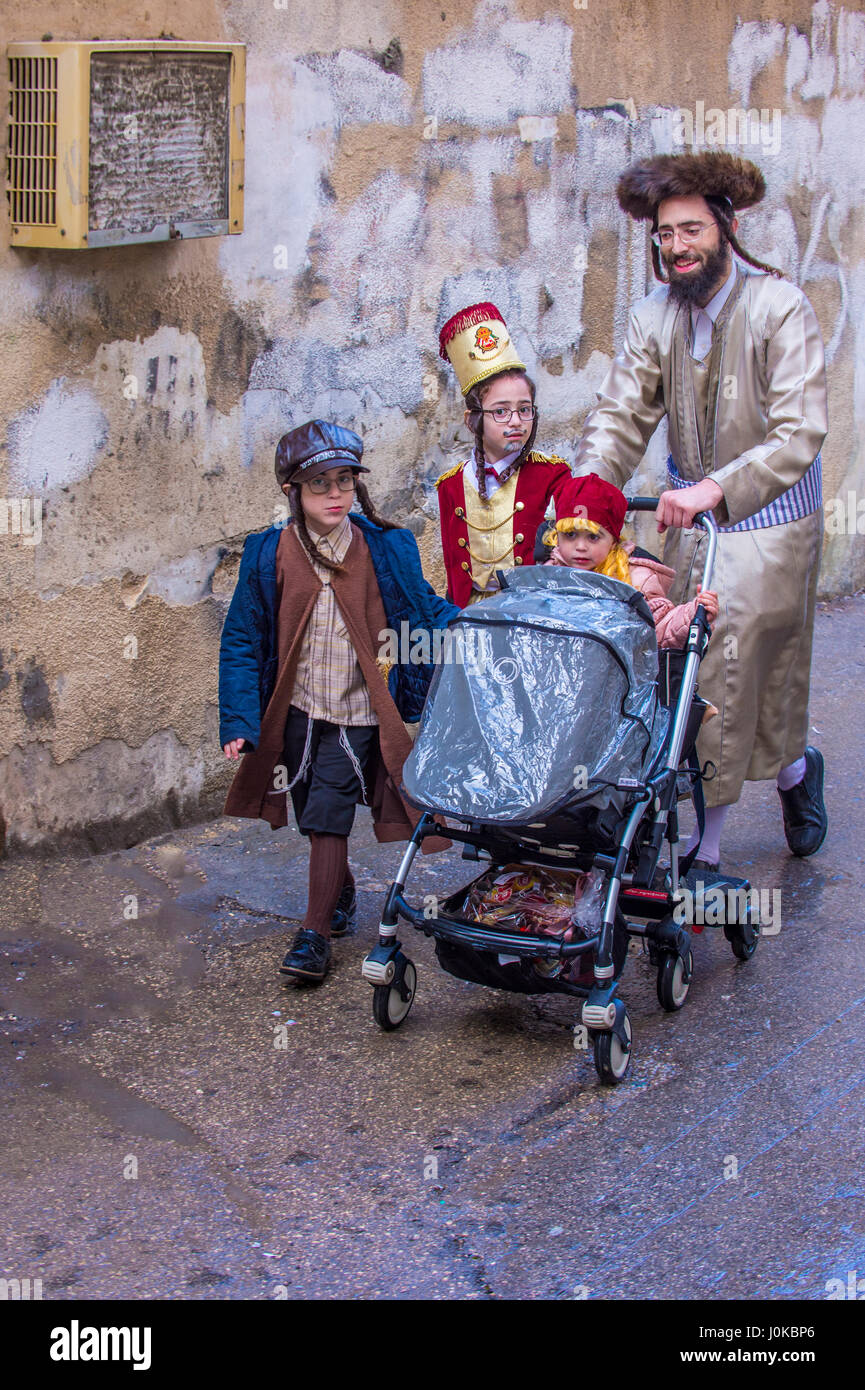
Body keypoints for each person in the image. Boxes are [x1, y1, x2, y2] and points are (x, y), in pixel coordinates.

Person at [573, 151, 828, 877]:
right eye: (664, 235)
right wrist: (586, 497)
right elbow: (620, 414)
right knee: (674, 667)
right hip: (687, 523)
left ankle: (706, 849)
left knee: (725, 668)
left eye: (690, 230)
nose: (676, 247)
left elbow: (799, 431)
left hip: (767, 524)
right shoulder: (653, 315)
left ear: (726, 225)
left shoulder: (781, 306)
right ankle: (791, 768)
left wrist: (715, 488)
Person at [219, 420, 457, 984]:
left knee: (328, 817)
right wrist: (239, 717)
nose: (335, 495)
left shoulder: (386, 548)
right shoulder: (267, 554)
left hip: (356, 713)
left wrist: (477, 623)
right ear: (292, 492)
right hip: (296, 713)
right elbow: (242, 639)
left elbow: (425, 609)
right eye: (320, 484)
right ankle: (341, 891)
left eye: (345, 482)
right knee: (310, 813)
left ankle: (313, 936)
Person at [436, 302, 572, 606]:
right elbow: (452, 569)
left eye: (524, 409)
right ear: (472, 419)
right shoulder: (450, 485)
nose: (515, 421)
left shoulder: (553, 475)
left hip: (532, 613)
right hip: (471, 619)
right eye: (500, 411)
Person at [544, 473, 719, 647]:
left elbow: (660, 626)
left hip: (617, 669)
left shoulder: (636, 580)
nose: (580, 546)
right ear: (557, 537)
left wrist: (692, 615)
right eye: (571, 535)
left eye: (593, 537)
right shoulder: (548, 574)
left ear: (613, 541)